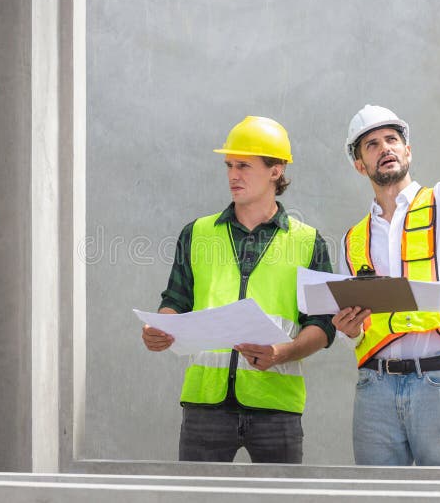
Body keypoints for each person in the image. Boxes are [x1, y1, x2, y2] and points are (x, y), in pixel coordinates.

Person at [332, 5, 440, 466]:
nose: (383, 148)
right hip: (374, 390)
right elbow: (354, 327)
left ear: (408, 149)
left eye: (391, 139)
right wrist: (345, 330)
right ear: (359, 164)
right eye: (372, 144)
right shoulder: (352, 239)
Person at [142, 116, 334, 463]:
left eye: (244, 165)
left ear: (276, 170)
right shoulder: (197, 233)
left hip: (276, 407)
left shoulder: (308, 242)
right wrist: (161, 326)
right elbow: (175, 300)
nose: (233, 175)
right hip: (205, 407)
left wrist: (281, 352)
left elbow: (322, 325)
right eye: (229, 165)